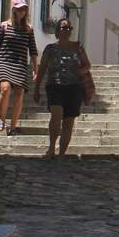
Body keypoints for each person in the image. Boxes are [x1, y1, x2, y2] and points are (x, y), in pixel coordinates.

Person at [34, 18, 90, 158]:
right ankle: (51, 149)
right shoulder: (50, 49)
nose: (67, 30)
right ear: (57, 31)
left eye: (69, 28)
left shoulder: (78, 47)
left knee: (69, 122)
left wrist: (79, 72)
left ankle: (61, 153)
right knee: (56, 115)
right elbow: (42, 69)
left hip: (74, 87)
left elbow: (87, 65)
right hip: (55, 86)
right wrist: (36, 88)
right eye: (64, 28)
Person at [0, 0, 38, 135]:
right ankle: (2, 120)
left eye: (24, 9)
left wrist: (35, 67)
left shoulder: (29, 29)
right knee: (5, 89)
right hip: (4, 62)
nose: (22, 12)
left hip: (20, 65)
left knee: (19, 94)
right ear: (13, 10)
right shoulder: (4, 26)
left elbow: (33, 50)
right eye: (19, 9)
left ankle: (13, 126)